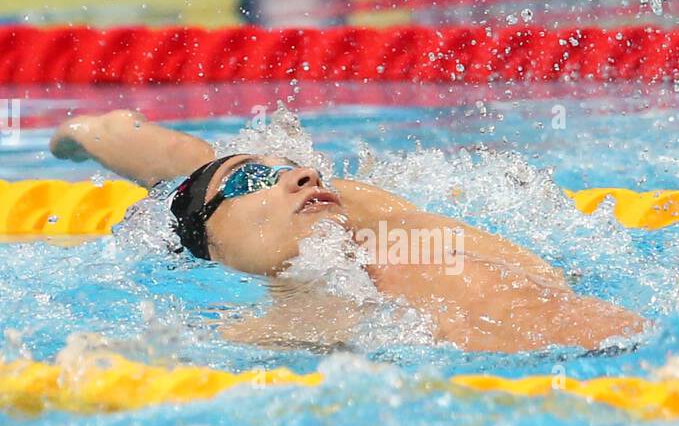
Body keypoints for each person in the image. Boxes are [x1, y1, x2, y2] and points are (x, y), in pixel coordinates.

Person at [51, 110, 647, 352]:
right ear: (212, 247)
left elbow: (615, 338)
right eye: (255, 177)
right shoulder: (249, 325)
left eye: (293, 170)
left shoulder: (394, 254)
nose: (303, 174)